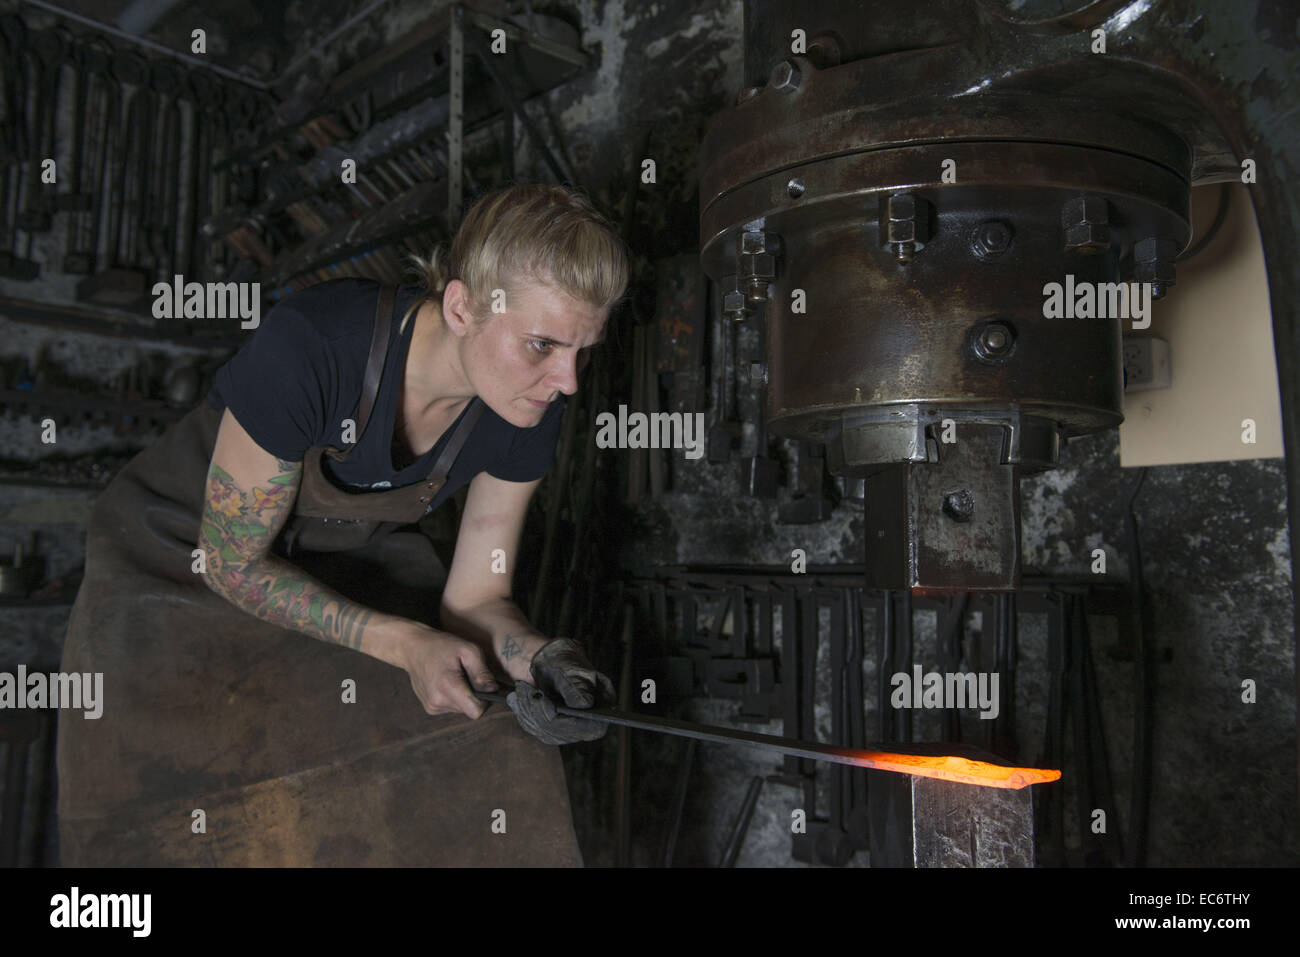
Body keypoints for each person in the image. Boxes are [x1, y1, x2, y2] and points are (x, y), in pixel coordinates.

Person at [56, 184, 629, 866]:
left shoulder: (528, 408)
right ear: (462, 306)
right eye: (542, 344)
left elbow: (476, 599)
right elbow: (232, 566)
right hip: (182, 554)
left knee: (475, 742)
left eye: (583, 350)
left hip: (345, 568)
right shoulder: (316, 346)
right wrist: (404, 642)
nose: (566, 380)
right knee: (151, 804)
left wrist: (540, 658)